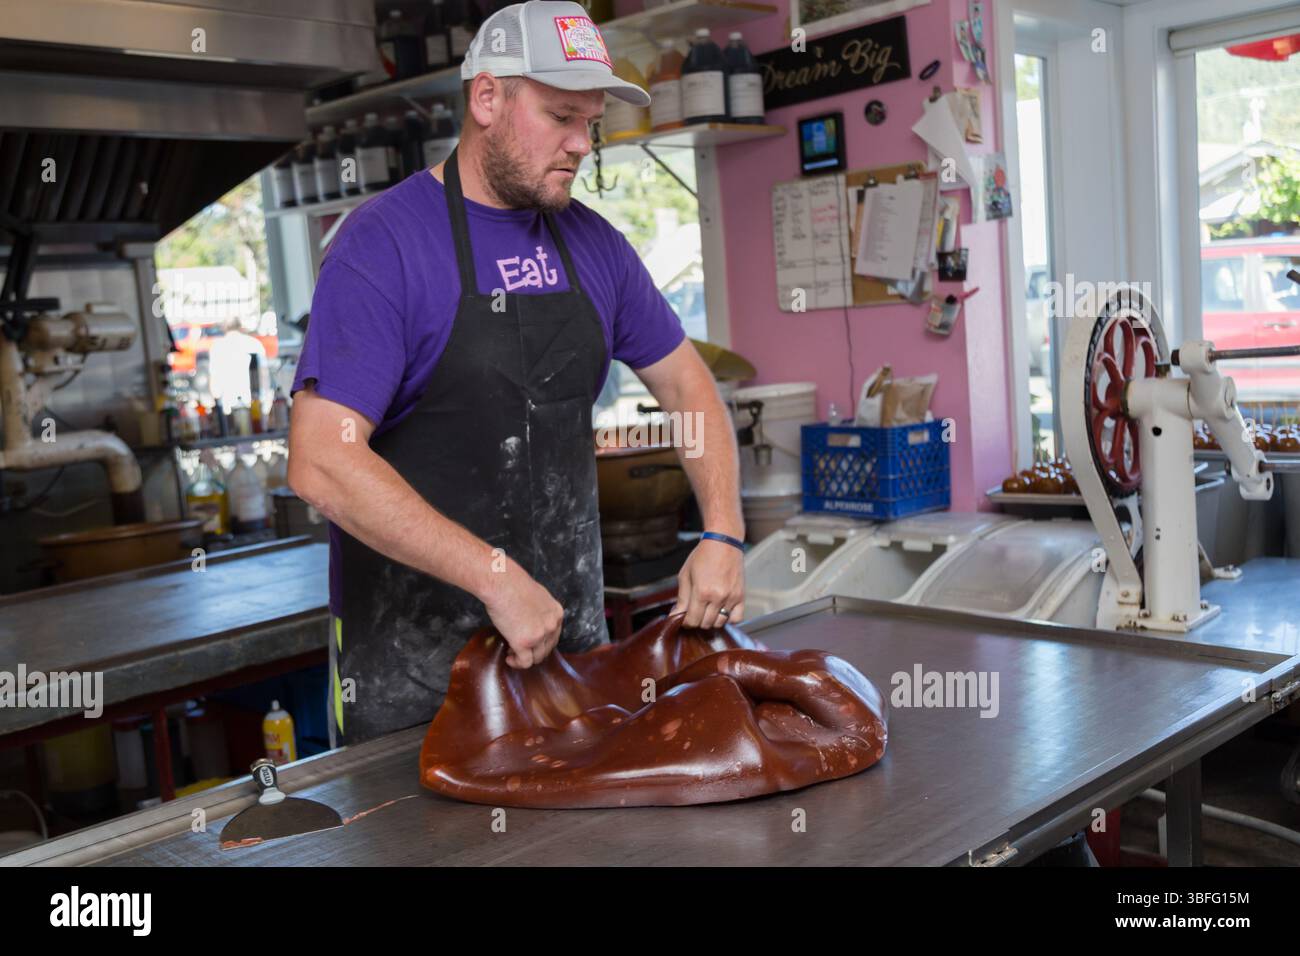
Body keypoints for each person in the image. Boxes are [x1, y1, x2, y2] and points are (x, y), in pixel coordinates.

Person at [288, 1, 745, 746]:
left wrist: (723, 531)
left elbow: (687, 388)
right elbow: (321, 460)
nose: (581, 144)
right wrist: (494, 576)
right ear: (487, 98)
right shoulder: (382, 247)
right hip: (417, 691)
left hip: (573, 673)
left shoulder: (596, 246)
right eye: (562, 116)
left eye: (590, 122)